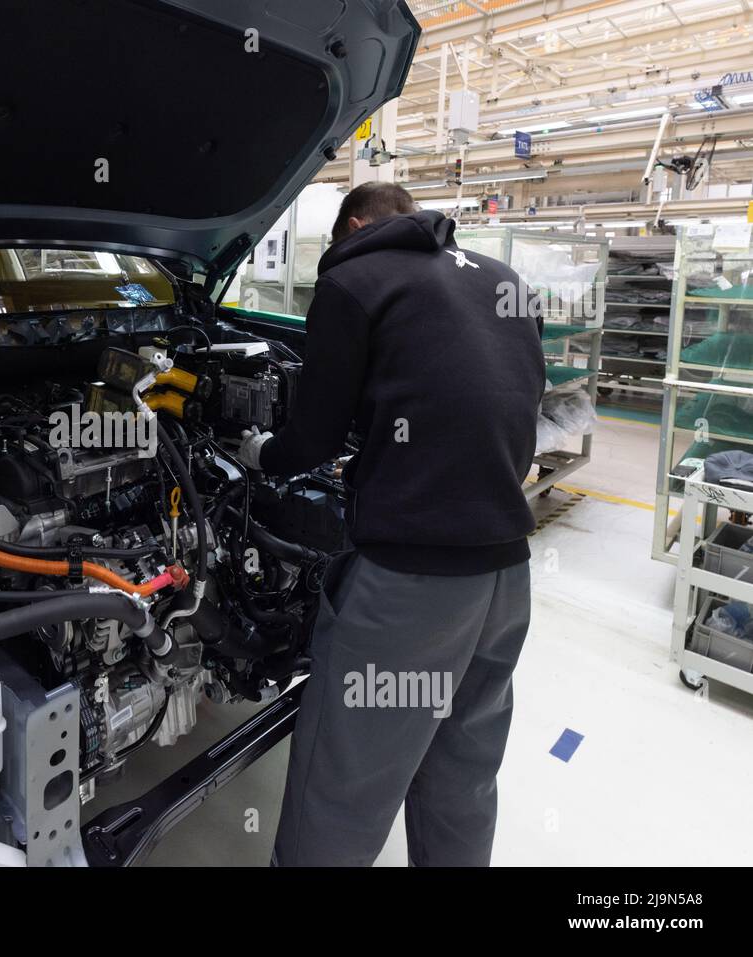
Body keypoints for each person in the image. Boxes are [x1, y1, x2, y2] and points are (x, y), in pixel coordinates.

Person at [237, 182, 546, 866]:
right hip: (505, 575)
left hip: (410, 592)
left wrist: (258, 451)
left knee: (343, 784)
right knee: (460, 772)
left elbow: (311, 438)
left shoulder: (353, 279)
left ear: (351, 225)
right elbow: (511, 406)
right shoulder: (503, 279)